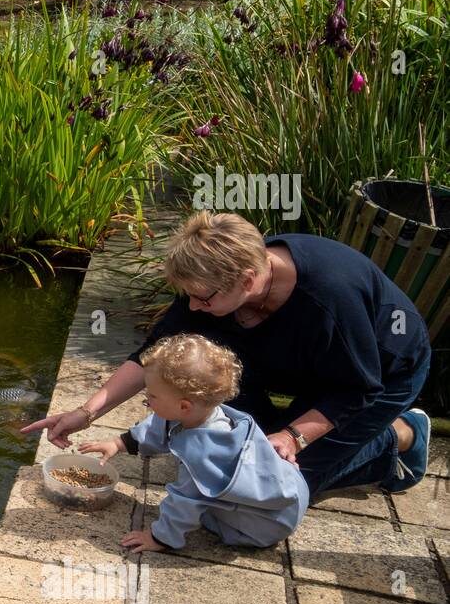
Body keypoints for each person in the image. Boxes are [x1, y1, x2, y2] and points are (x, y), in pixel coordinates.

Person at [23, 211, 432, 499]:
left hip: (377, 375)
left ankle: (399, 437)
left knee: (276, 482)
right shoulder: (213, 284)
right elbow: (153, 353)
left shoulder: (328, 299)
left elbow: (355, 387)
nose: (194, 307)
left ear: (248, 279)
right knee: (237, 452)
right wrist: (86, 412)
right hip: (293, 366)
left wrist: (292, 437)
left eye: (203, 299)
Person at [79, 334, 308, 552]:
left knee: (201, 502)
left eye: (153, 397)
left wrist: (160, 537)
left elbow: (185, 502)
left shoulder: (204, 454)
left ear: (184, 406)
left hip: (266, 524)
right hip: (292, 489)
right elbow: (162, 424)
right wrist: (119, 443)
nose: (147, 400)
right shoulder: (204, 412)